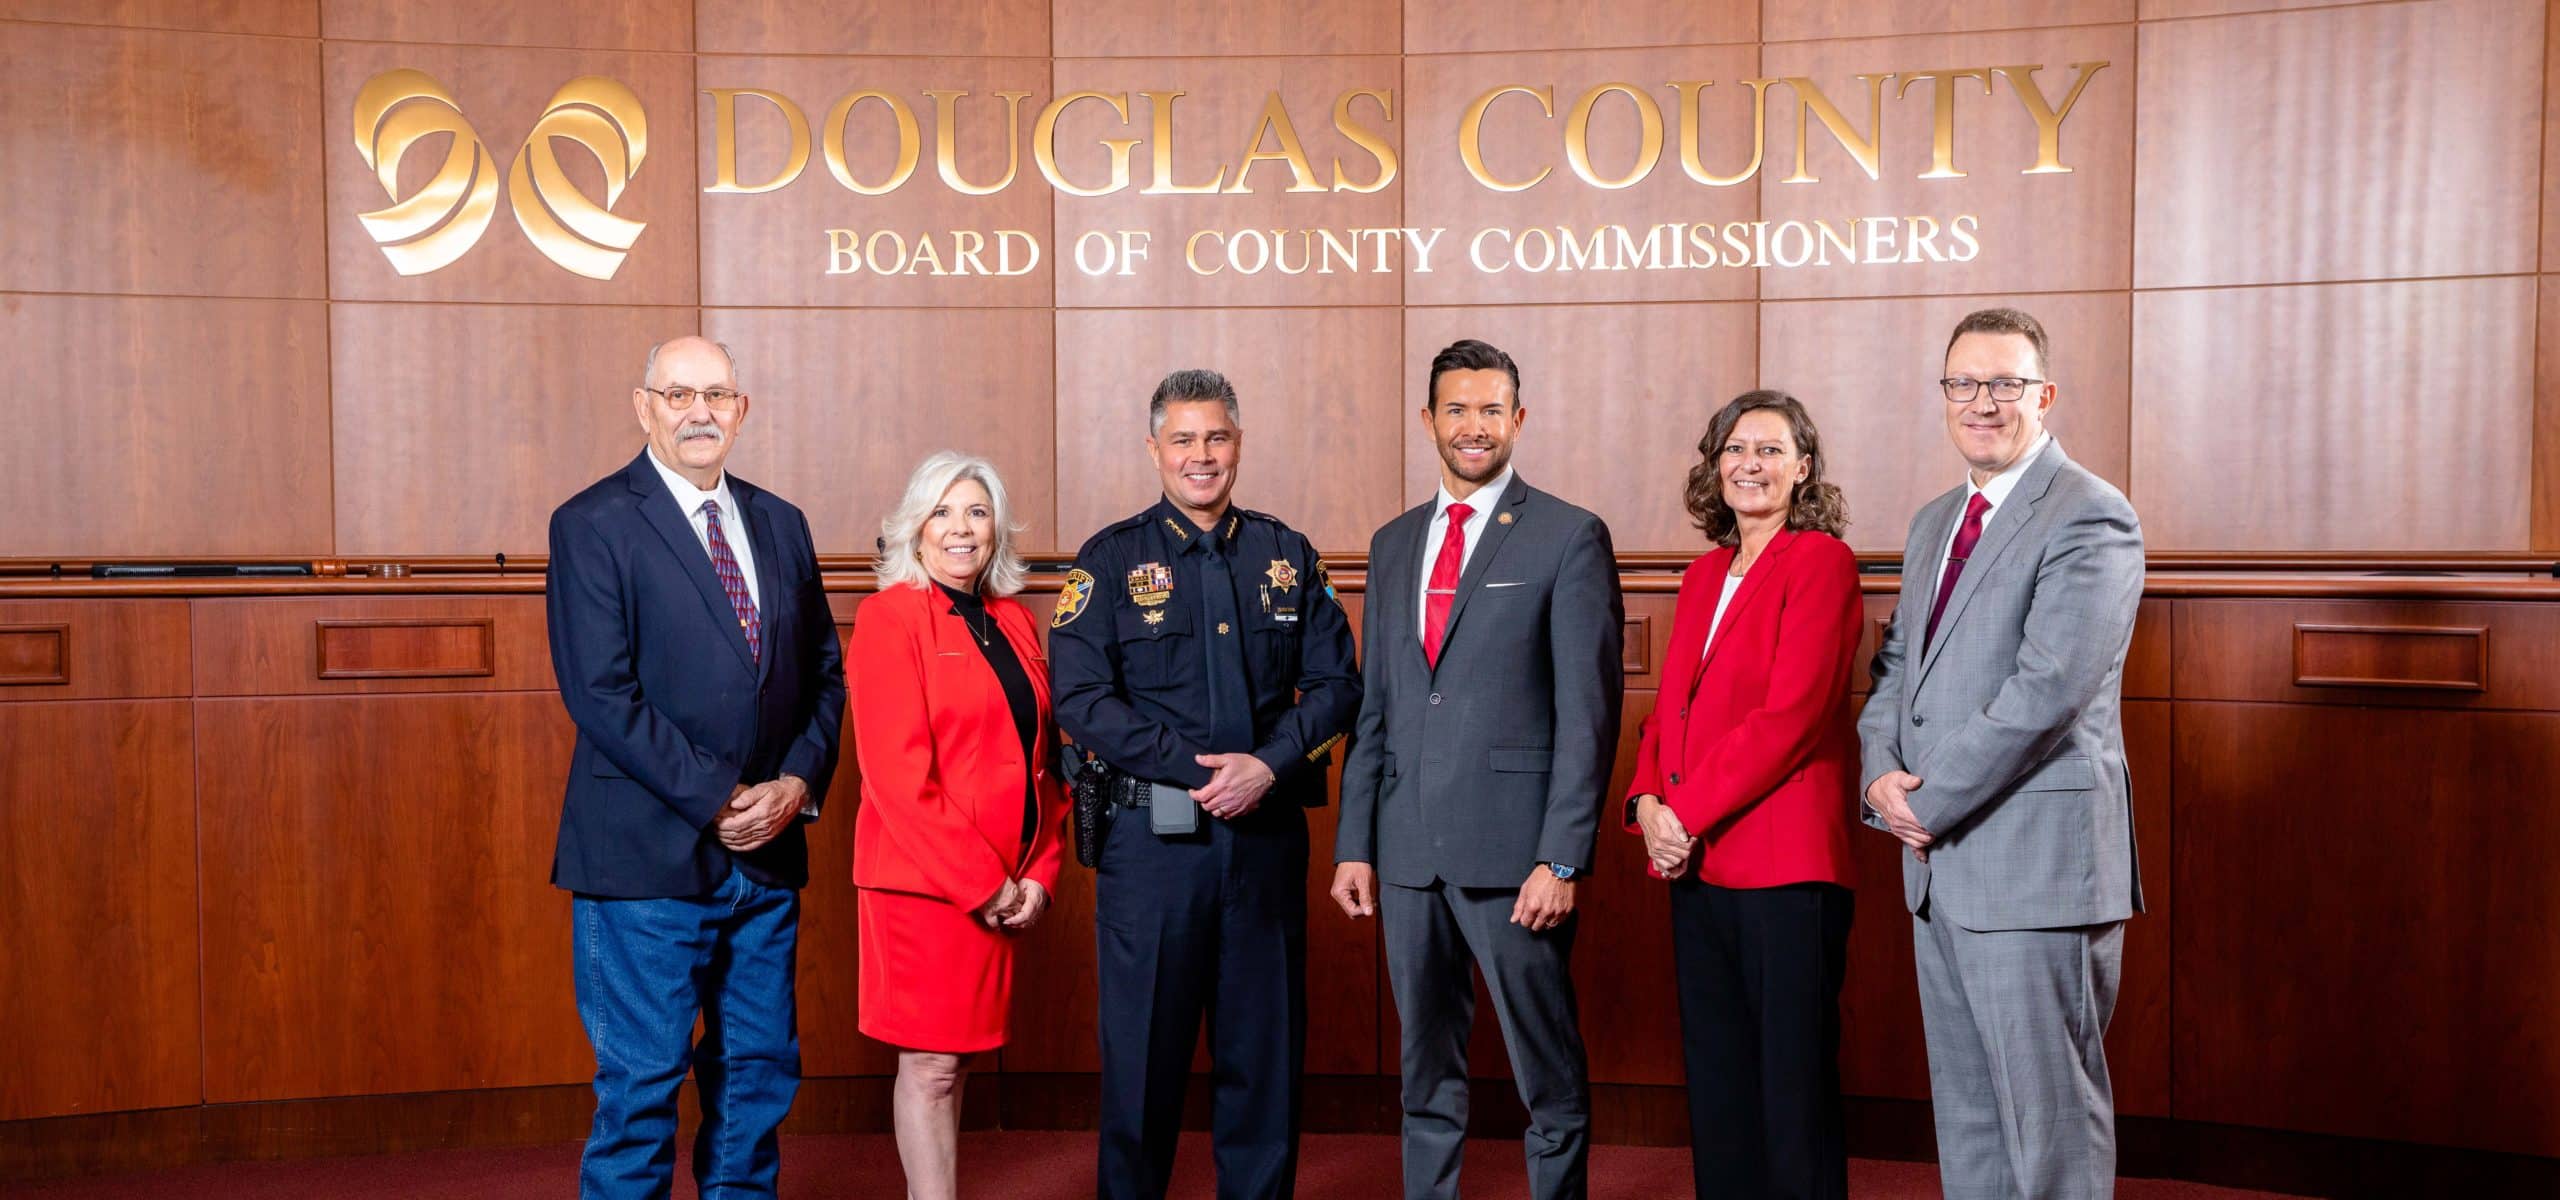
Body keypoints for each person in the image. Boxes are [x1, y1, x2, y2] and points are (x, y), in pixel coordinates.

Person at [1048, 368, 1362, 1200]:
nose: (1201, 455)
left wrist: (1269, 763)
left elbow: (1338, 684)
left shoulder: (1287, 555)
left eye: (1216, 437)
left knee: (1264, 1062)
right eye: (1182, 439)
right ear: (1154, 449)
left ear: (1238, 444)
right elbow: (1080, 700)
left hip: (1262, 849)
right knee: (1143, 1066)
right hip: (1152, 853)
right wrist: (1199, 771)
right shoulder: (1108, 562)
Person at [545, 335, 846, 1200]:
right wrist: (721, 798)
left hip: (767, 855)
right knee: (641, 1090)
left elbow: (824, 674)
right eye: (678, 395)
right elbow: (601, 693)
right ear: (644, 406)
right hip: (644, 859)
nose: (700, 412)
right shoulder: (592, 523)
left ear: (742, 410)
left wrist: (795, 784)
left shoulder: (781, 523)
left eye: (716, 395)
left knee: (756, 1080)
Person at [1859, 308, 2145, 1199]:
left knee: (2048, 1124)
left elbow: (2047, 692)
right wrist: (1879, 777)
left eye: (2005, 384)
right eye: (1964, 384)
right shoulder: (1936, 519)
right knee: (1973, 1115)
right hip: (1941, 868)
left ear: (2044, 394)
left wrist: (1926, 798)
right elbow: (1898, 665)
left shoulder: (2093, 515)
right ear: (1945, 396)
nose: (1983, 402)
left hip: (2034, 869)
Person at [1330, 338, 1623, 1200]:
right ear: (1429, 421)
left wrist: (1561, 858)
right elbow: (1376, 708)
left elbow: (1588, 719)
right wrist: (1357, 844)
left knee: (1547, 1076)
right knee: (1424, 1075)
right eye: (1456, 409)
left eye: (1492, 409)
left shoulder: (1569, 536)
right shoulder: (1392, 545)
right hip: (1408, 854)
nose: (1474, 426)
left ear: (1519, 420)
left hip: (1516, 859)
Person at [1624, 390, 1864, 1200]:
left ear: (1803, 469)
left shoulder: (1822, 562)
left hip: (1787, 867)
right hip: (1697, 863)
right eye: (1734, 449)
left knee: (1790, 1087)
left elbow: (1791, 716)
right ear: (1714, 467)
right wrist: (1647, 805)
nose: (1749, 464)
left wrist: (1681, 814)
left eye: (1769, 450)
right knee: (1719, 1081)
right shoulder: (1701, 574)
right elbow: (1670, 711)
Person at [848, 451, 1067, 1200]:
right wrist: (989, 886)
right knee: (932, 1066)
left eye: (976, 511)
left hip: (1005, 881)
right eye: (942, 511)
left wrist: (1039, 874)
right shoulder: (889, 618)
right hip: (926, 889)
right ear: (915, 528)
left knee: (957, 1061)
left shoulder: (1011, 619)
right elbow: (898, 780)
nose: (961, 528)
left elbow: (1044, 761)